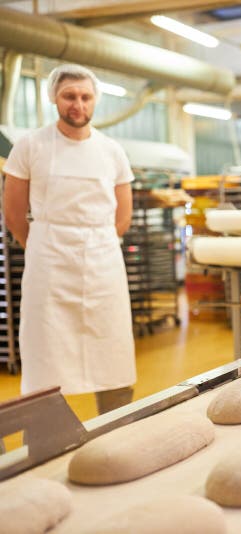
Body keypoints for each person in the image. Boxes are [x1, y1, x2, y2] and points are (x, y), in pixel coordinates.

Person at [2, 64, 136, 413]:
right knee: (46, 348)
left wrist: (95, 242)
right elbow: (14, 214)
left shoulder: (112, 151)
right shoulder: (30, 146)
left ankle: (114, 429)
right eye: (69, 96)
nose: (78, 104)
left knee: (112, 347)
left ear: (95, 101)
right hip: (49, 260)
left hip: (103, 258)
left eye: (85, 96)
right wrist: (45, 245)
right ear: (53, 99)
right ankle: (46, 438)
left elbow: (123, 216)